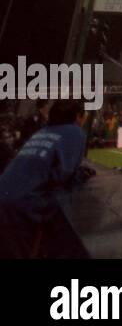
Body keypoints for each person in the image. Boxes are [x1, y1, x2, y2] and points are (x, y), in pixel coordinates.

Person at [0, 100, 94, 258]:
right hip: (21, 205)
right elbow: (63, 174)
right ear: (78, 116)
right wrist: (81, 175)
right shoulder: (75, 132)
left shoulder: (42, 132)